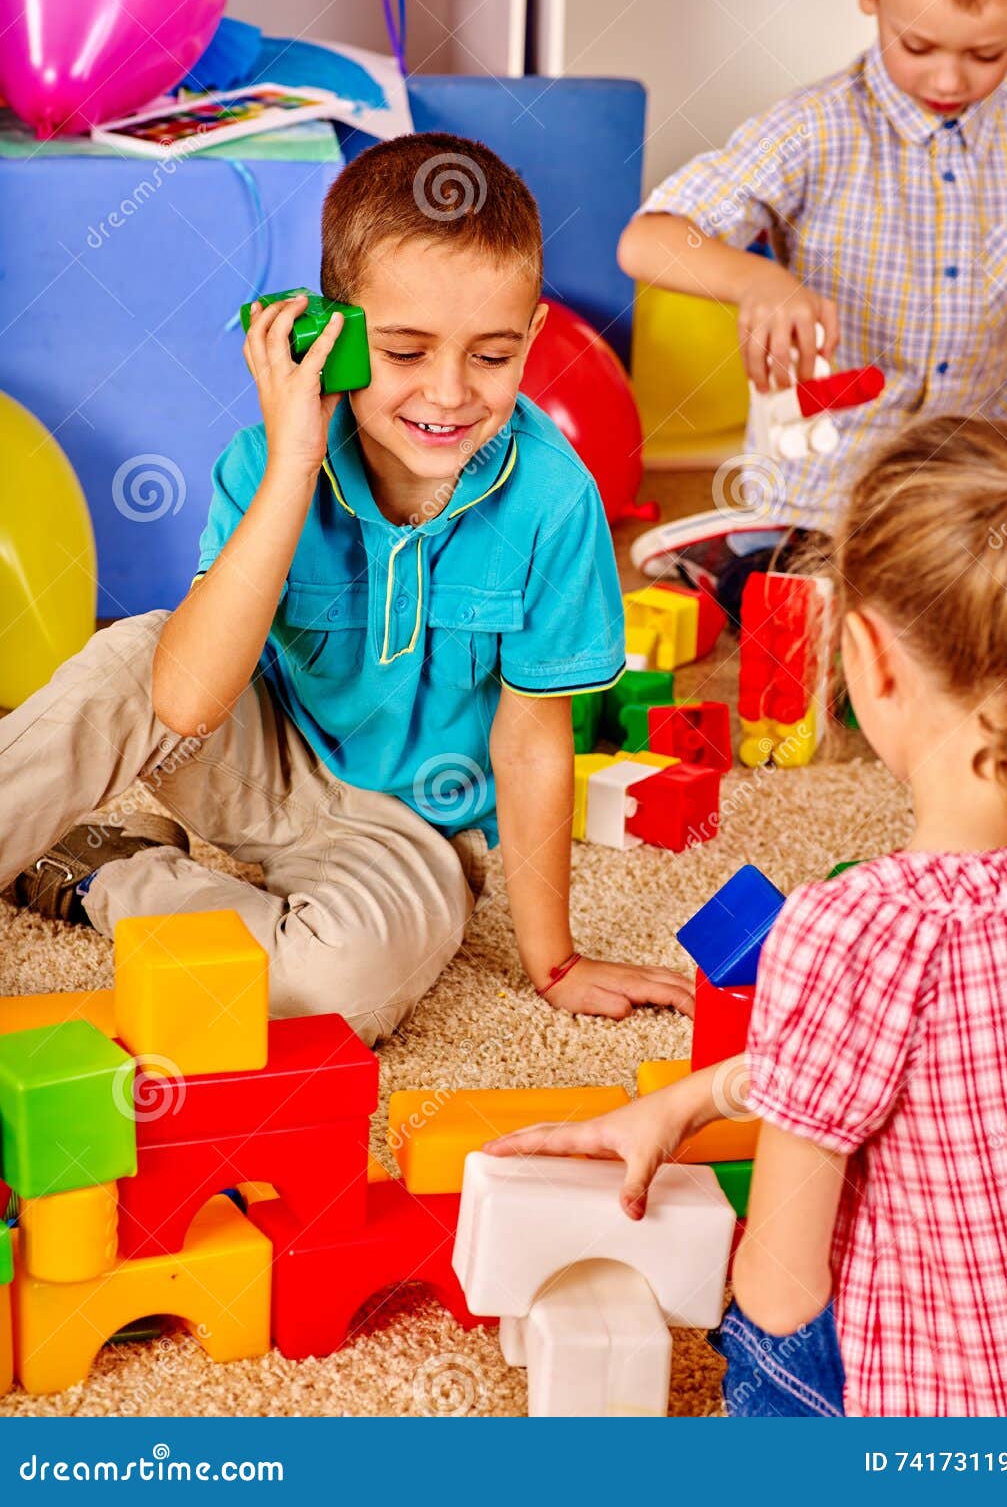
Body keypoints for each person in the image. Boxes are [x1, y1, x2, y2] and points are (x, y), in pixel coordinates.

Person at [488, 415, 1007, 1417]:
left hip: (944, 1421)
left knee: (758, 1331)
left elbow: (783, 1289)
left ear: (864, 655)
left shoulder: (859, 926)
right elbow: (1001, 1059)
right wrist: (693, 1100)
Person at [1, 132, 693, 1042]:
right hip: (256, 754)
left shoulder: (555, 501)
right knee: (133, 656)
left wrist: (553, 960)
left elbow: (530, 745)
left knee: (331, 988)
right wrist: (294, 460)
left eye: (491, 356)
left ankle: (103, 871)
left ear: (531, 337)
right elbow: (188, 698)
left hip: (412, 831)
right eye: (405, 352)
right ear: (339, 333)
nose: (448, 394)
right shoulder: (264, 462)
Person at [622, 0, 1007, 620]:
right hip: (830, 474)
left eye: (988, 53)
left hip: (972, 474)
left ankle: (825, 573)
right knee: (843, 619)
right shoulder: (815, 129)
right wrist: (757, 279)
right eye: (918, 46)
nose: (949, 80)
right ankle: (758, 558)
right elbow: (644, 241)